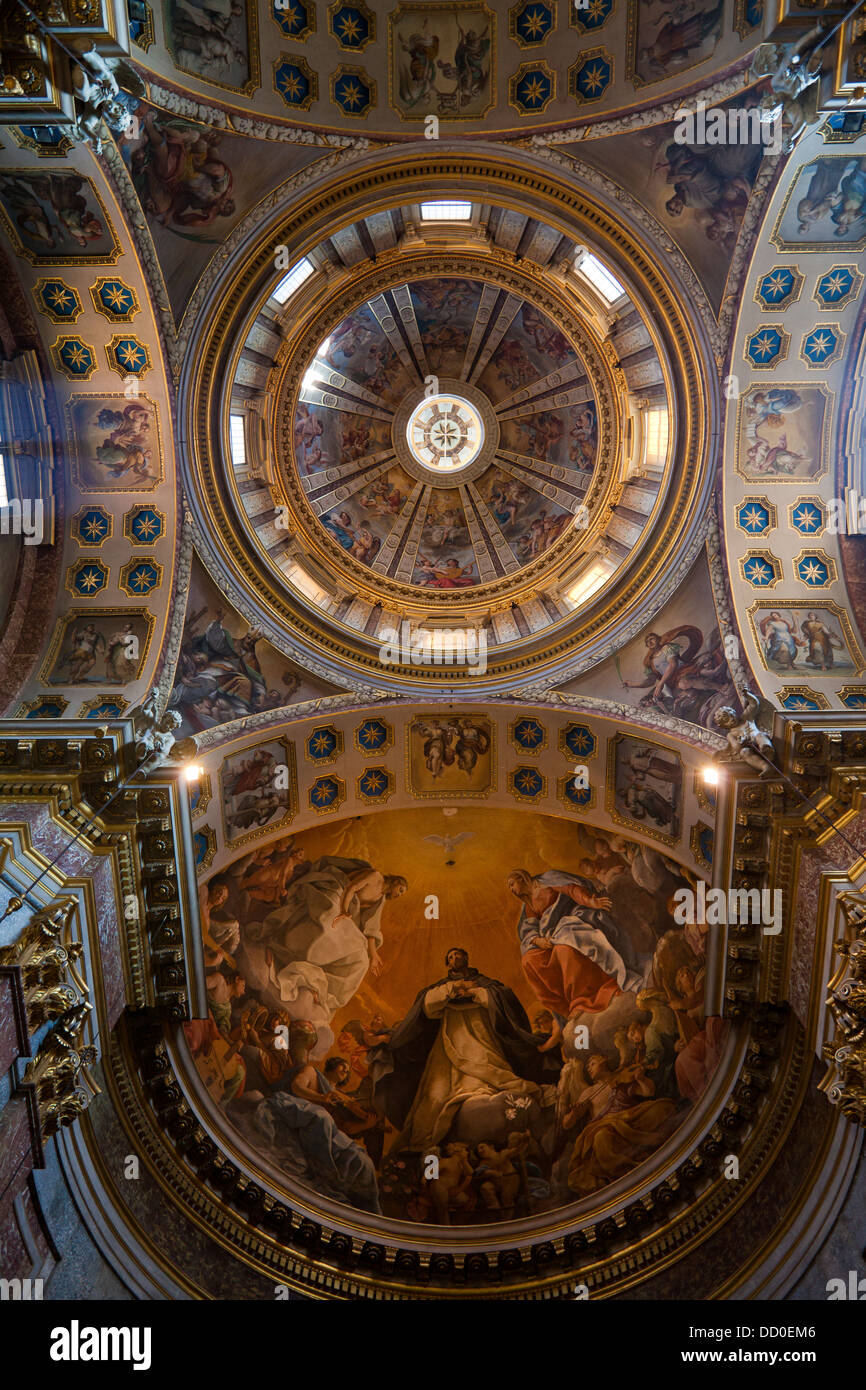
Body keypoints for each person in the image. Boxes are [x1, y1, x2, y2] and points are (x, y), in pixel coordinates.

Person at [370, 947, 559, 1153]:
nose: (455, 958)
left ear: (467, 958)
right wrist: (453, 988)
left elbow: (503, 998)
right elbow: (426, 1005)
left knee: (492, 1072)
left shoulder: (486, 985)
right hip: (447, 1046)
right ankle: (421, 1142)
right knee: (434, 1096)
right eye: (450, 956)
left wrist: (476, 992)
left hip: (482, 1040)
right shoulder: (442, 987)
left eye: (458, 955)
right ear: (447, 964)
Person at [507, 868, 648, 1051]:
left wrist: (592, 901)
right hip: (551, 937)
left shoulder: (546, 880)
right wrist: (537, 940)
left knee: (564, 950)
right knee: (529, 962)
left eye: (512, 884)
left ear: (522, 877)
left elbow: (572, 890)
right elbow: (528, 930)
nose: (511, 889)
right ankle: (564, 1009)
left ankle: (582, 999)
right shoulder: (528, 906)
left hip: (572, 920)